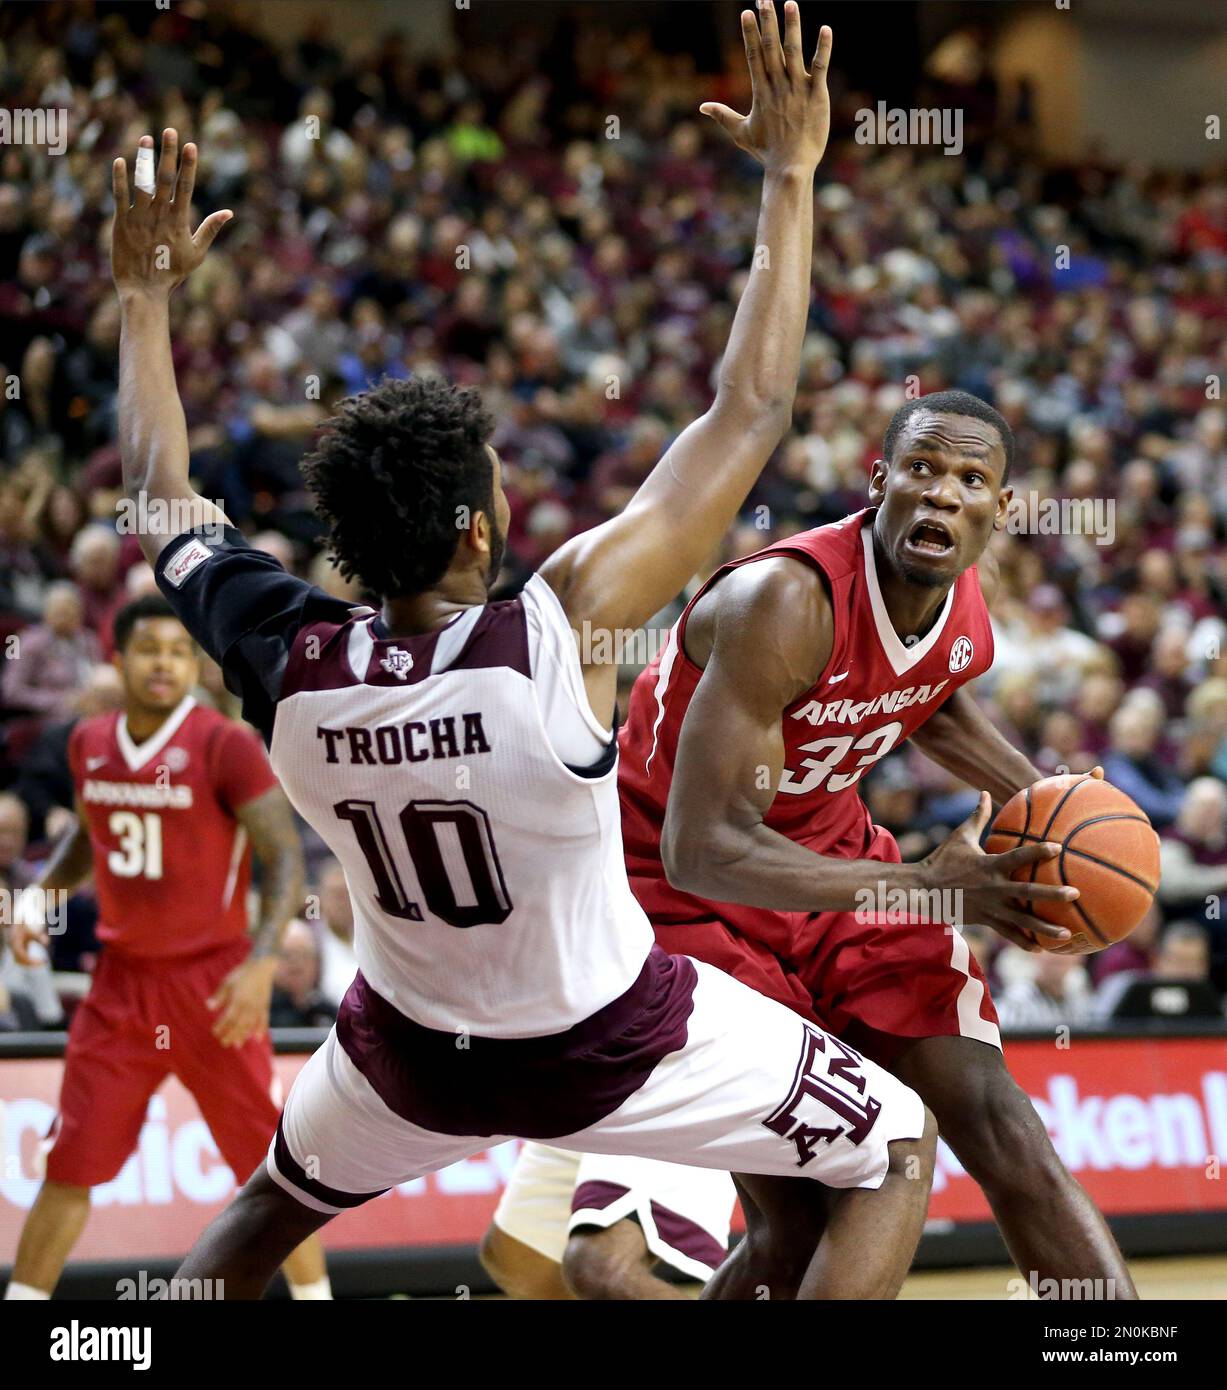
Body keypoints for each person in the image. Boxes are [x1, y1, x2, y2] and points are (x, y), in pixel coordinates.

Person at [126, 10, 941, 1303]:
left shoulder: (282, 645)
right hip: (603, 1038)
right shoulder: (554, 625)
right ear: (476, 523)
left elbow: (155, 487)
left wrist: (142, 297)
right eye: (499, 482)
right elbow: (750, 406)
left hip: (400, 1053)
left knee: (247, 1229)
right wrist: (788, 178)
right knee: (894, 1148)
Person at [491, 387, 1138, 1300]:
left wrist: (1042, 801)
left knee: (1002, 1125)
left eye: (969, 478)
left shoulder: (959, 610)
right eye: (920, 469)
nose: (942, 493)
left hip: (835, 868)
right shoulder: (781, 602)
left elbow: (930, 696)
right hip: (673, 893)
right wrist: (925, 887)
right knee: (798, 1215)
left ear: (1000, 509)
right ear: (878, 484)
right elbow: (702, 849)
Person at [3, 595, 330, 1301]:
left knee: (270, 1172)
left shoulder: (224, 744)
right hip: (120, 986)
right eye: (150, 650)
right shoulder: (87, 741)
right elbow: (93, 836)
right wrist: (41, 898)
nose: (164, 664)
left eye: (179, 652)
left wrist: (261, 961)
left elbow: (283, 863)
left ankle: (315, 1298)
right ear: (117, 658)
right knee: (70, 1165)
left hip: (214, 985)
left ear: (195, 665)